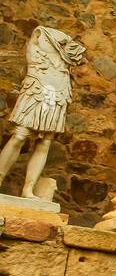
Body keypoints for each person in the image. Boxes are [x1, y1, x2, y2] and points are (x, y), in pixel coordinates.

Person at [0, 26, 85, 200]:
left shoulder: (66, 41)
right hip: (38, 85)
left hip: (59, 88)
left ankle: (28, 189)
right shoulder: (40, 33)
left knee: (45, 141)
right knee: (20, 135)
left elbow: (77, 56)